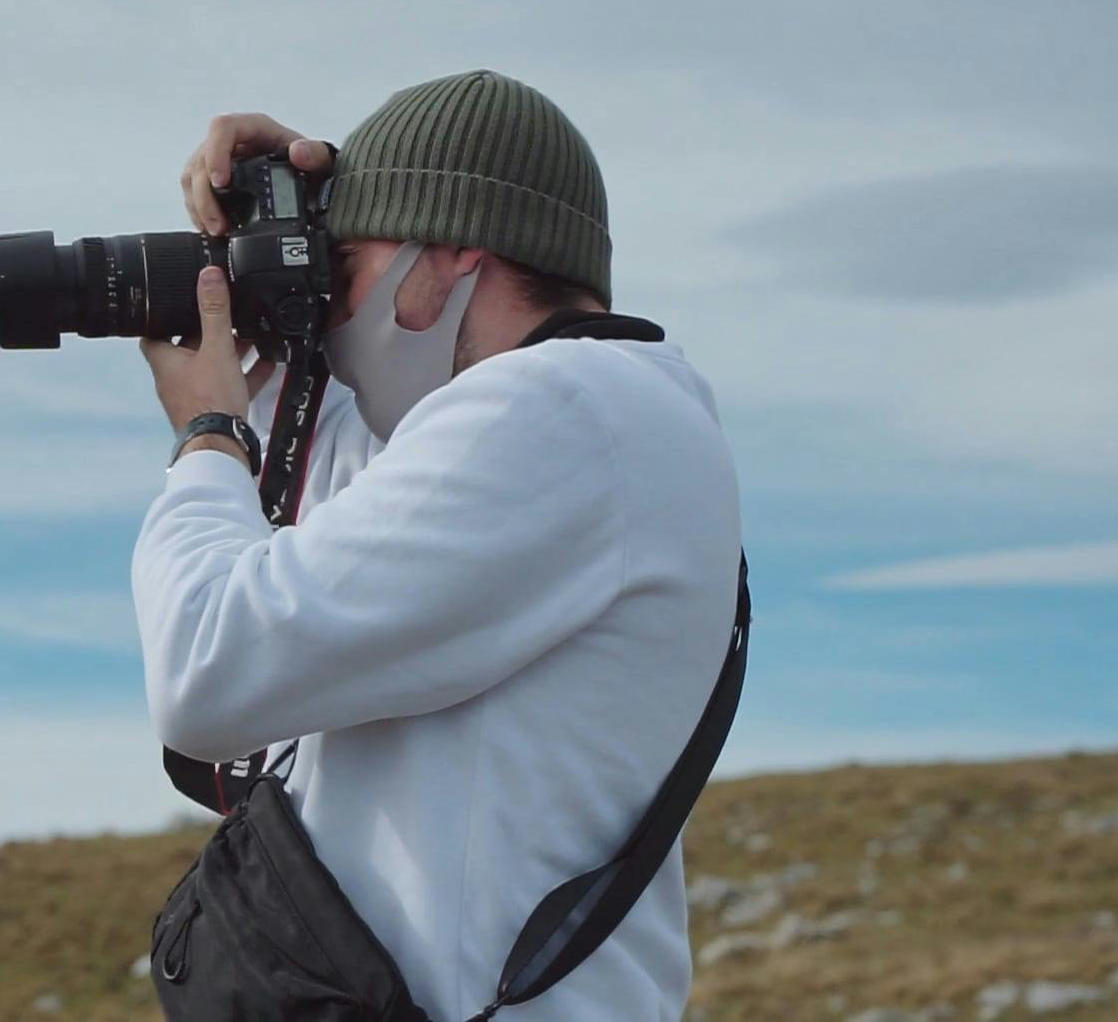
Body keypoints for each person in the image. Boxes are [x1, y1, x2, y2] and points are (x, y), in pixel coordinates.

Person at [132, 69, 741, 1020]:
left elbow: (209, 673)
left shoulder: (567, 408)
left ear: (454, 254)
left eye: (341, 276)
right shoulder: (581, 428)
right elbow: (300, 547)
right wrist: (284, 230)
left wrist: (207, 432)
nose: (329, 317)